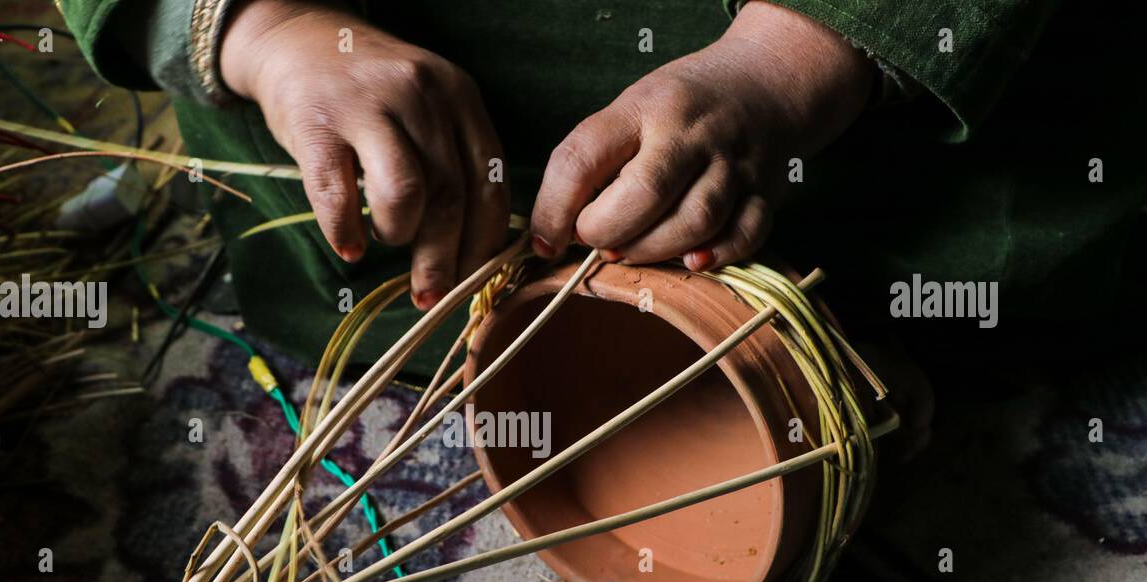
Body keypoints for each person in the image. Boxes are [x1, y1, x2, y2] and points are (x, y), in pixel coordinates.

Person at [61, 0, 1146, 379]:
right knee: (355, 220)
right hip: (350, 87)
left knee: (993, 214)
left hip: (876, 114)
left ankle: (830, 335)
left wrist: (782, 64)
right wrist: (267, 32)